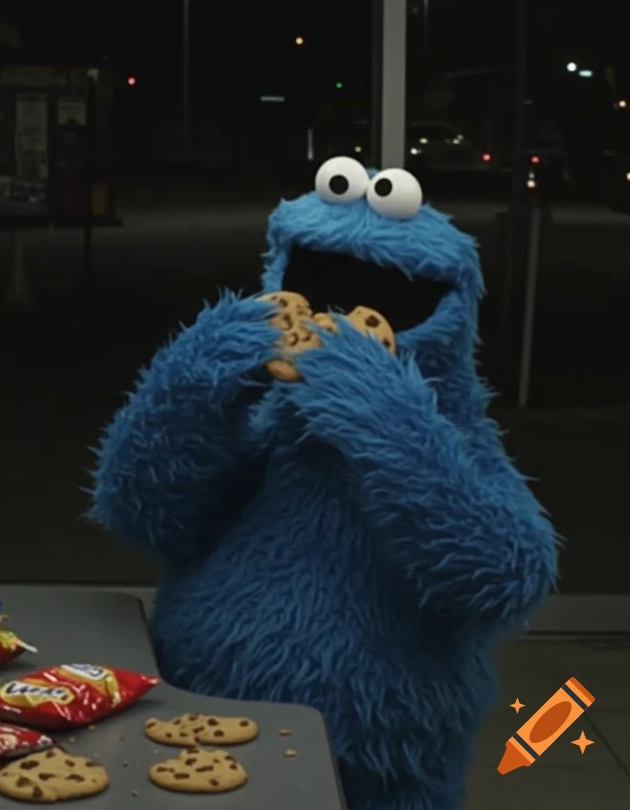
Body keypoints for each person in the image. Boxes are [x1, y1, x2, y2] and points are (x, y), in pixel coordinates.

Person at [89, 157, 558, 810]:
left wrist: (382, 416)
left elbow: (503, 575)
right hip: (201, 731)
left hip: (381, 765)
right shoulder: (270, 428)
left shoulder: (451, 433)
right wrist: (202, 374)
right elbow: (144, 509)